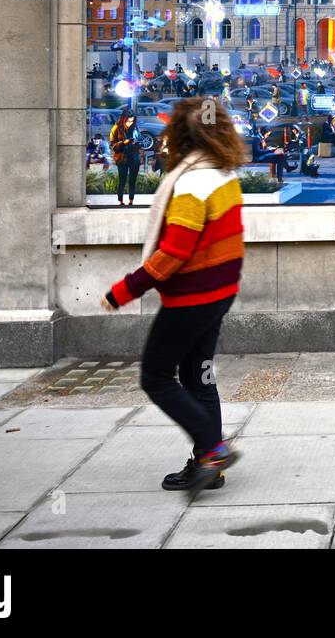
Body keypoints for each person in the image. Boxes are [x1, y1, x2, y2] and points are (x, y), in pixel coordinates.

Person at [101, 97, 246, 491]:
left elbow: (176, 252)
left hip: (192, 298)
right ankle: (207, 466)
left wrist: (124, 290)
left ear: (180, 135)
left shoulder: (191, 182)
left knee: (156, 377)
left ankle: (213, 449)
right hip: (220, 292)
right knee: (199, 376)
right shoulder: (223, 174)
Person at [109, 109, 141, 206]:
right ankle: (120, 201)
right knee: (122, 180)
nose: (130, 123)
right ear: (123, 119)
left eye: (132, 121)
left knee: (133, 180)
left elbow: (139, 140)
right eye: (128, 121)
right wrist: (123, 143)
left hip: (134, 157)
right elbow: (112, 145)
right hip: (122, 157)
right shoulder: (116, 128)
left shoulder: (135, 127)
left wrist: (137, 143)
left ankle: (131, 201)